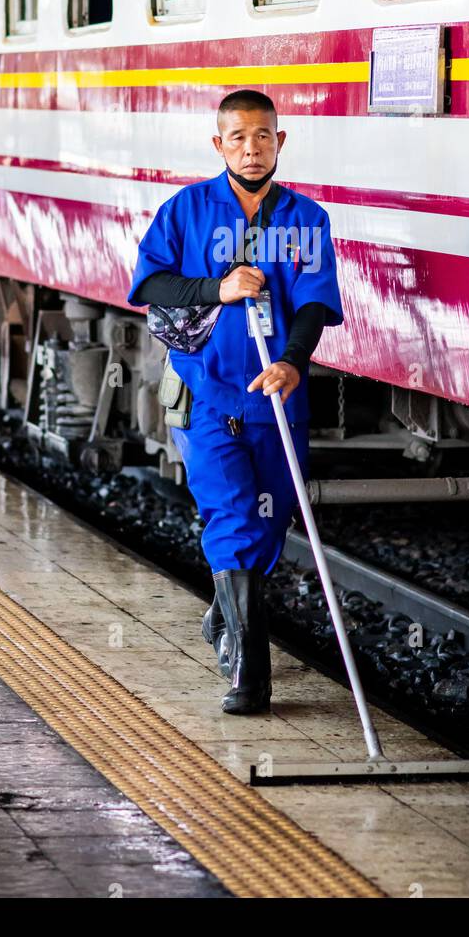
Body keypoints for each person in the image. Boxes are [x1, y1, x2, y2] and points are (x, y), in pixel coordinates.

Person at [126, 89, 344, 714]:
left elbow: (313, 304)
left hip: (276, 400)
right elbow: (149, 283)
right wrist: (217, 288)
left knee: (271, 524)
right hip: (208, 396)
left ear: (281, 141)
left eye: (264, 136)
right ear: (218, 144)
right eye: (238, 138)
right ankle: (251, 676)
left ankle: (226, 616)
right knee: (233, 519)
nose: (252, 148)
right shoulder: (187, 211)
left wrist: (291, 362)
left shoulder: (307, 219)